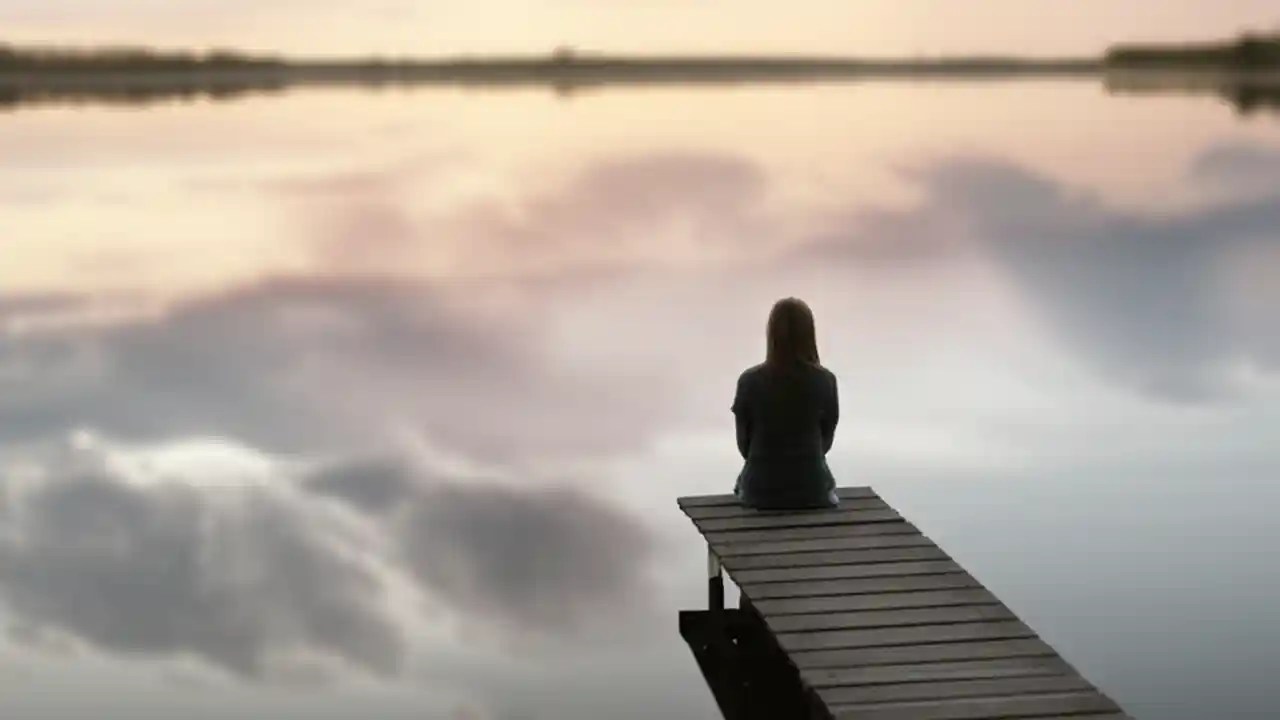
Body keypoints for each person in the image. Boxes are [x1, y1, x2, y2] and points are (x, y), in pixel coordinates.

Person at [732, 297, 840, 509]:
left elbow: (744, 446)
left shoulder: (749, 381)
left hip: (760, 492)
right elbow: (825, 442)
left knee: (744, 482)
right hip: (813, 490)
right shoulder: (825, 380)